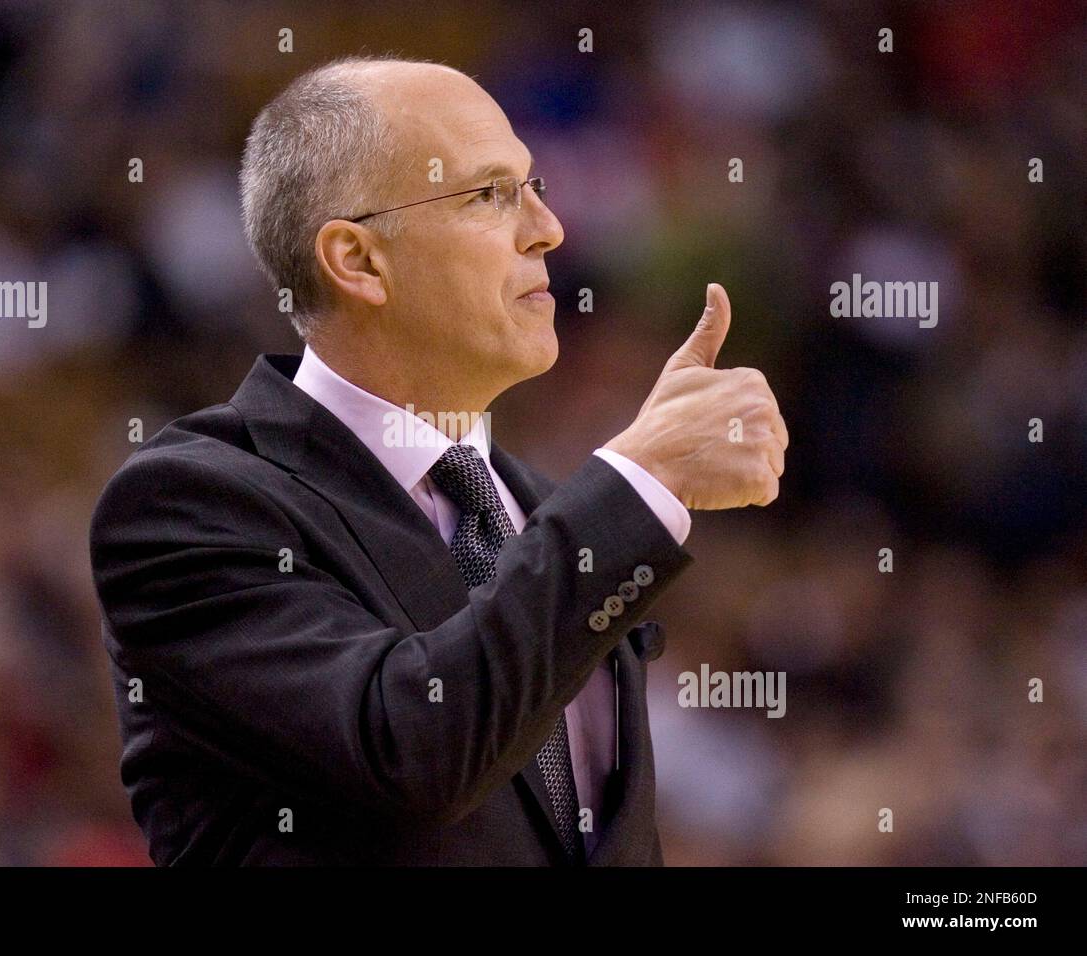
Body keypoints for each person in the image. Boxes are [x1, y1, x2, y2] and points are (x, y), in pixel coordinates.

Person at [89, 55, 787, 865]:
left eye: (536, 187)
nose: (548, 229)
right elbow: (411, 748)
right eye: (491, 194)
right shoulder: (191, 501)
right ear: (358, 260)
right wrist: (643, 480)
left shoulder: (547, 512)